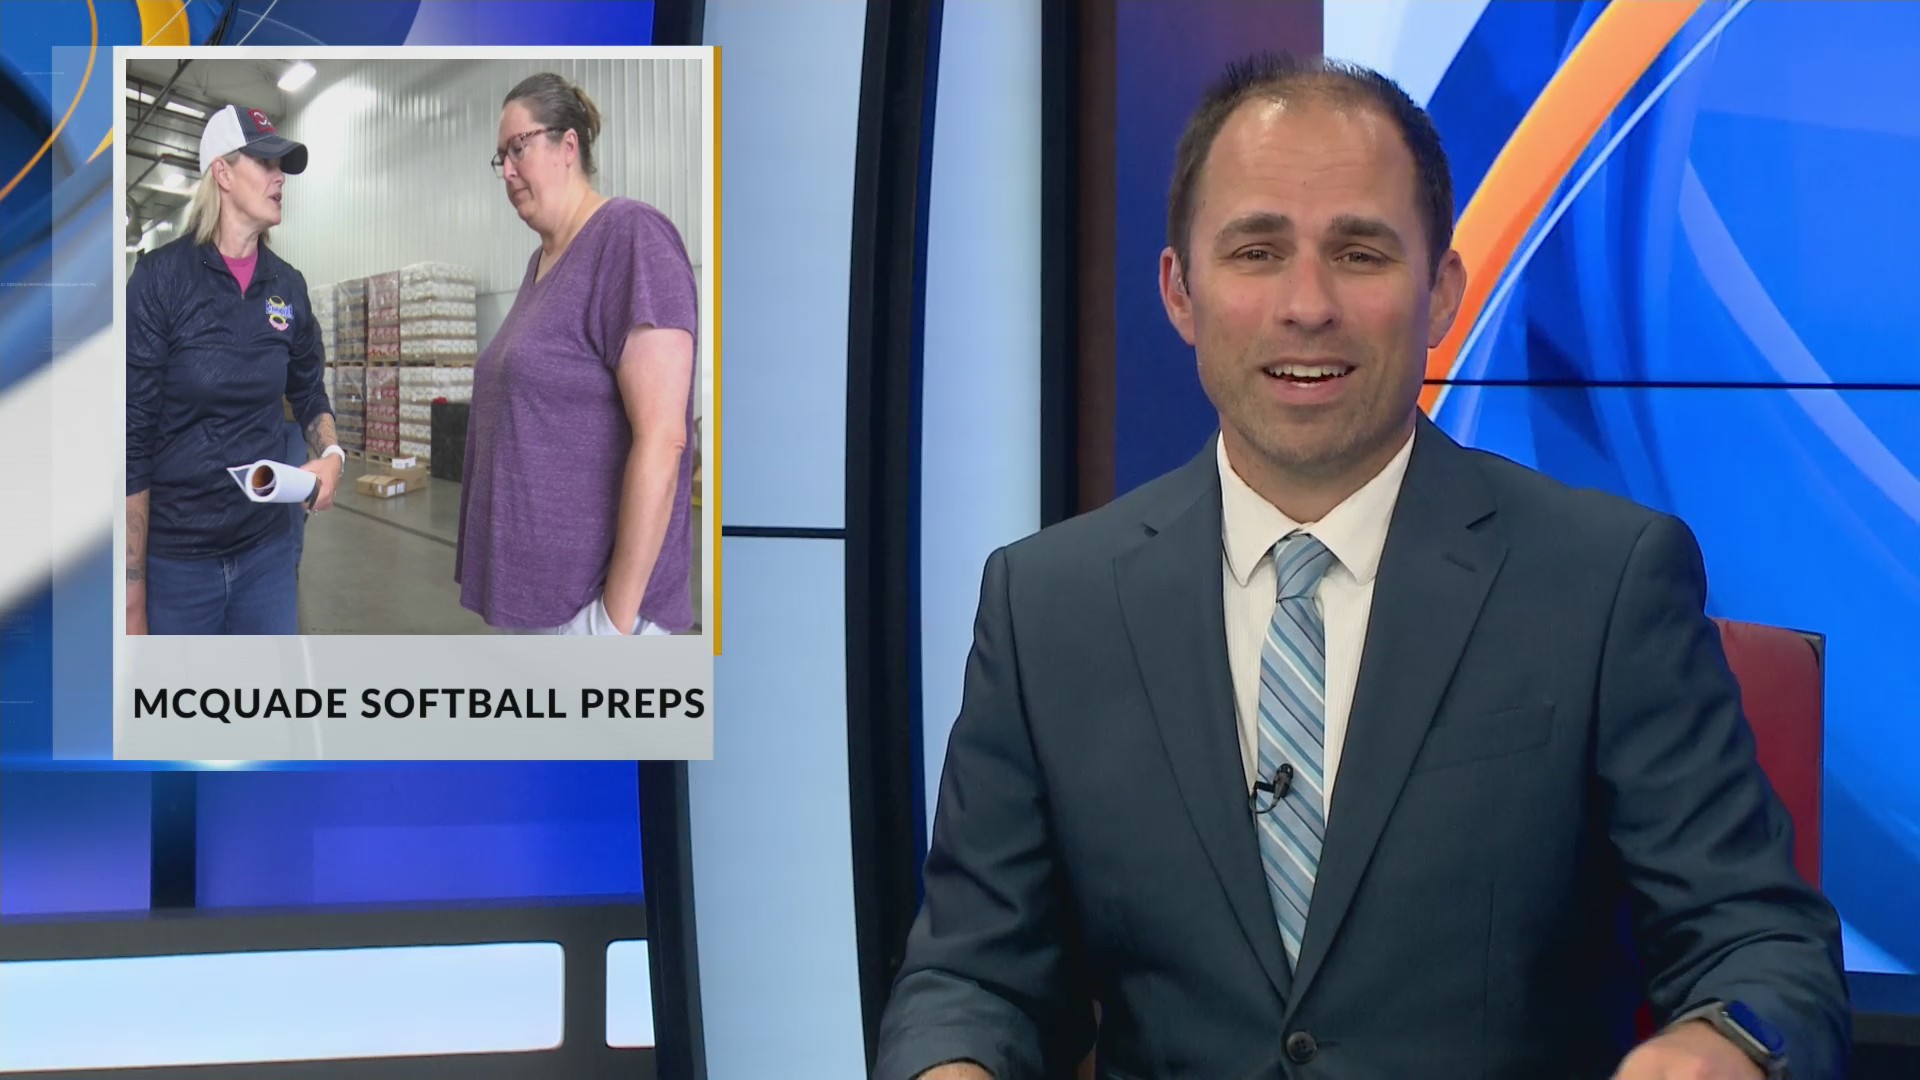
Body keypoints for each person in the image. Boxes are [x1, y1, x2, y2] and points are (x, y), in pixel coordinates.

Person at [876, 55, 1848, 1080]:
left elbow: (1764, 949)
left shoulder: (1607, 583)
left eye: (1360, 253)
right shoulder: (1047, 607)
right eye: (1256, 251)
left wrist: (1721, 1047)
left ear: (1440, 295)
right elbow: (971, 980)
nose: (1307, 305)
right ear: (1180, 291)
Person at [455, 72, 698, 636]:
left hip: (594, 622)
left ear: (568, 146)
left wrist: (609, 627)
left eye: (519, 147)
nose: (509, 171)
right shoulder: (540, 264)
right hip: (537, 605)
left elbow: (665, 440)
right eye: (501, 158)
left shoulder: (630, 236)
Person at [126, 104, 341, 636]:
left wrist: (332, 454)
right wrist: (132, 594)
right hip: (179, 562)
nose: (279, 178)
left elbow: (310, 390)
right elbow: (133, 435)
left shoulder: (287, 287)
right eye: (265, 163)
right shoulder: (161, 280)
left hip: (266, 553)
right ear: (222, 173)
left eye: (283, 167)